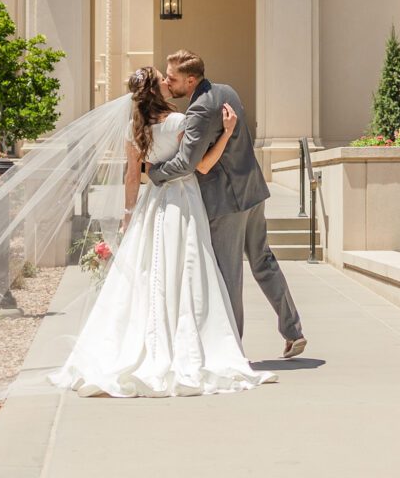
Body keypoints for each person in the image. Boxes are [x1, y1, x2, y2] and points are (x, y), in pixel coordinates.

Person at [50, 65, 271, 398]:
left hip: (151, 205)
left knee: (148, 271)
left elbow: (131, 176)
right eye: (163, 79)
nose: (169, 83)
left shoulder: (133, 129)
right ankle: (185, 345)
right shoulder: (180, 123)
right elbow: (201, 165)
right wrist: (226, 133)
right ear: (157, 90)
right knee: (187, 270)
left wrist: (128, 214)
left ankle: (143, 342)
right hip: (182, 201)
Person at [149, 49, 306, 359]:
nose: (168, 82)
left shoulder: (199, 111)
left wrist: (153, 173)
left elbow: (187, 163)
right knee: (263, 261)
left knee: (228, 273)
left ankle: (232, 348)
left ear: (190, 79)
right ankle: (293, 330)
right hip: (252, 191)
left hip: (226, 201)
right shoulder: (227, 91)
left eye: (173, 78)